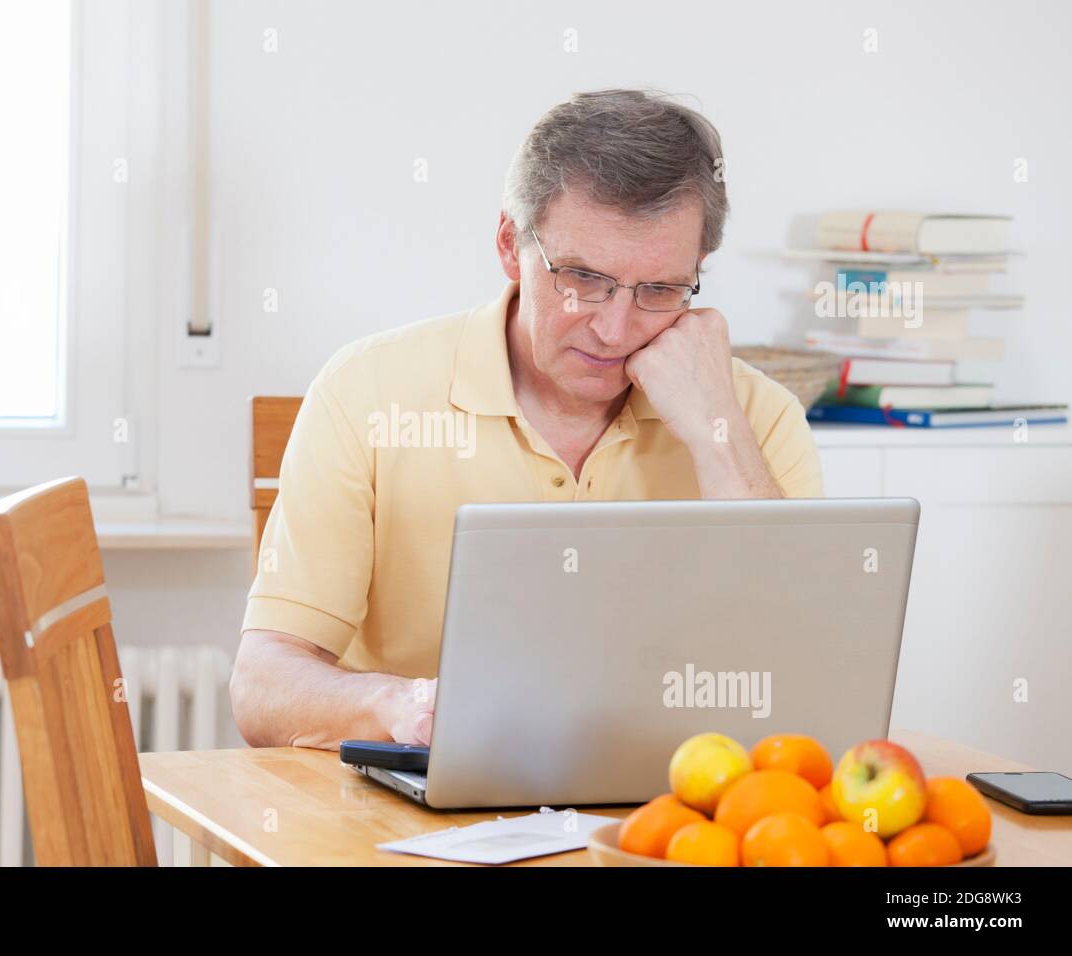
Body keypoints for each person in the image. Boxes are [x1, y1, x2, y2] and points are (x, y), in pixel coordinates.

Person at [230, 89, 823, 750]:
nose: (614, 328)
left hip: (674, 821)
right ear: (511, 246)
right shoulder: (367, 392)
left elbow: (804, 687)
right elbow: (262, 685)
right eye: (582, 278)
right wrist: (410, 707)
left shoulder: (757, 418)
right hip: (415, 824)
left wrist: (717, 428)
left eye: (659, 290)